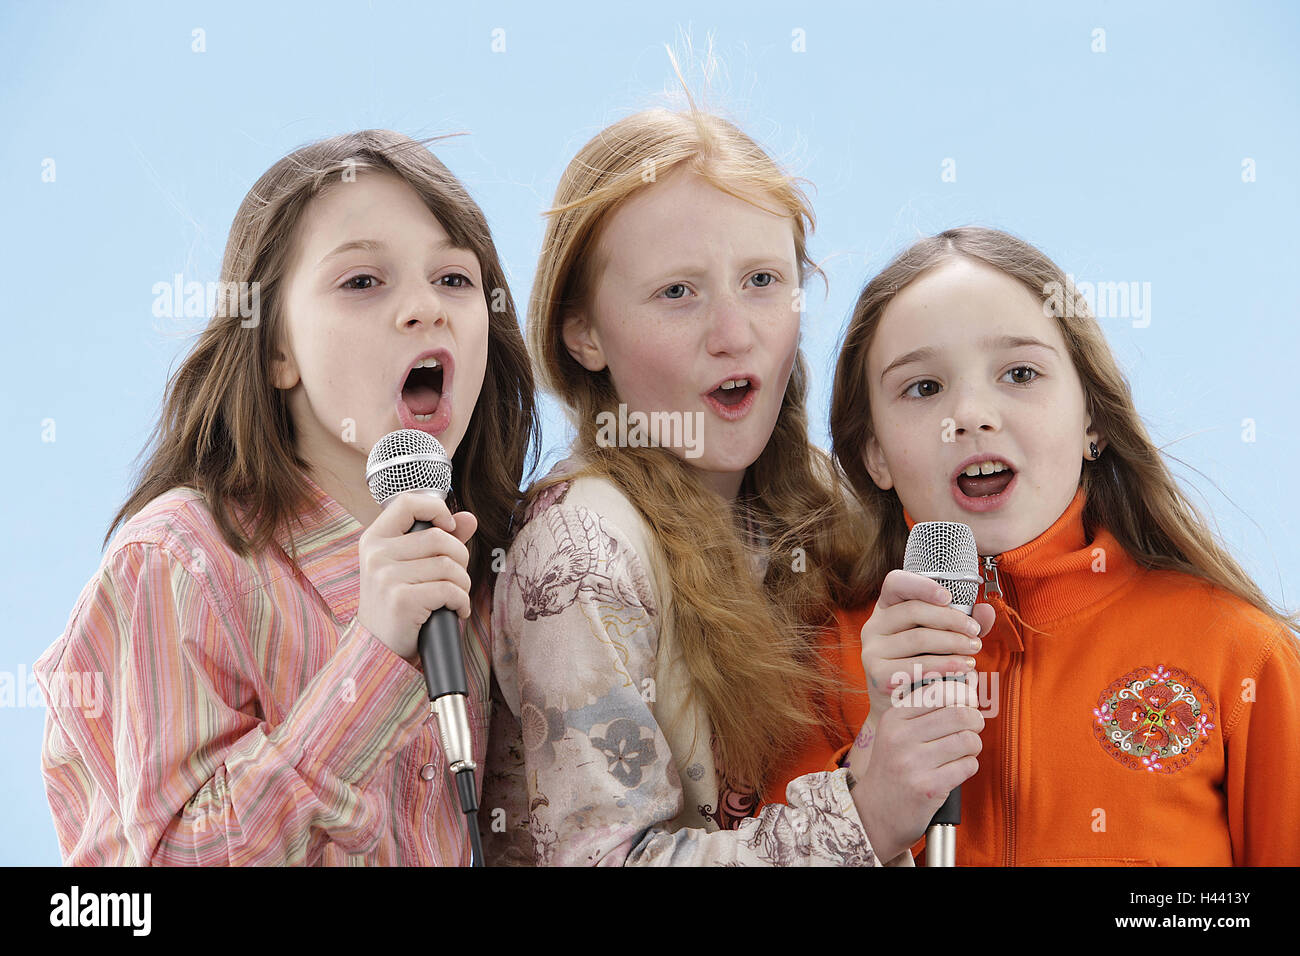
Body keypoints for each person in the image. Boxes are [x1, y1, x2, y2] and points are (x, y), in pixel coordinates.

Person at [480, 103, 982, 866]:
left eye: (761, 280)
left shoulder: (809, 506)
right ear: (582, 333)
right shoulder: (582, 547)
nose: (734, 333)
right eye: (677, 292)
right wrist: (867, 815)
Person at [33, 129, 538, 865]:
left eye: (455, 280)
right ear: (275, 349)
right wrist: (371, 658)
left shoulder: (500, 567)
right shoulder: (181, 563)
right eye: (364, 281)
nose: (426, 308)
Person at [829, 225, 1300, 865]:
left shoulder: (1239, 655)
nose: (969, 413)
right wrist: (873, 771)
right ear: (875, 453)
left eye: (1020, 373)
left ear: (1093, 419)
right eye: (924, 387)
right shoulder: (812, 671)